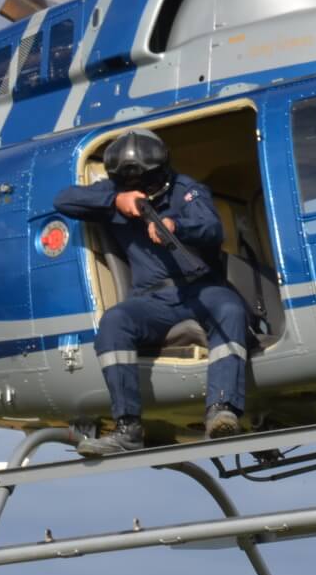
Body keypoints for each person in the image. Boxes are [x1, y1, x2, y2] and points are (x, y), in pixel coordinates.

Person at [54, 129, 247, 456]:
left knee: (230, 309)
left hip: (200, 290)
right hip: (151, 300)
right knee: (115, 322)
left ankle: (222, 409)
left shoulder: (187, 190)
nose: (141, 188)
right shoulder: (114, 194)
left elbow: (211, 228)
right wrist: (115, 201)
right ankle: (127, 428)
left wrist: (176, 227)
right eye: (130, 184)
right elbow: (63, 200)